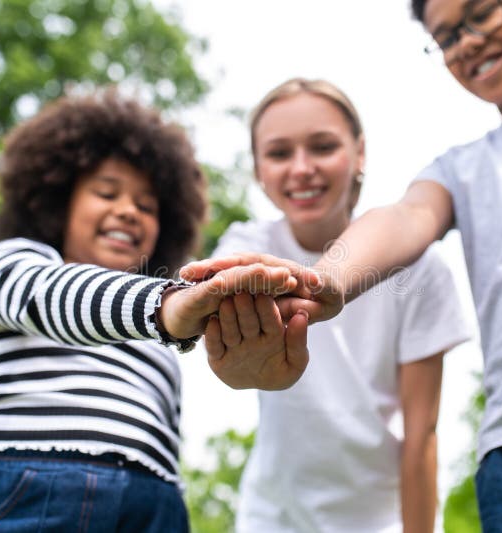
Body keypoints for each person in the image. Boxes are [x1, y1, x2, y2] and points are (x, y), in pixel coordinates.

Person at [185, 0, 502, 531]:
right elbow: (408, 215)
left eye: (483, 13)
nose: (467, 42)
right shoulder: (457, 169)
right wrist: (328, 280)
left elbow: (423, 437)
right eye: (447, 37)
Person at [0, 88, 316, 533]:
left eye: (146, 206)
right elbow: (51, 294)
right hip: (26, 487)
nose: (128, 212)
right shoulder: (9, 263)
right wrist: (166, 307)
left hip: (153, 504)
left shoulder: (164, 344)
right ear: (59, 203)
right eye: (106, 193)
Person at [207, 78, 470, 533]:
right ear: (258, 170)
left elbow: (421, 434)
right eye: (279, 153)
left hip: (380, 521)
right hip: (271, 518)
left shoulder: (420, 270)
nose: (302, 168)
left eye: (323, 146)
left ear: (360, 153)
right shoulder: (247, 245)